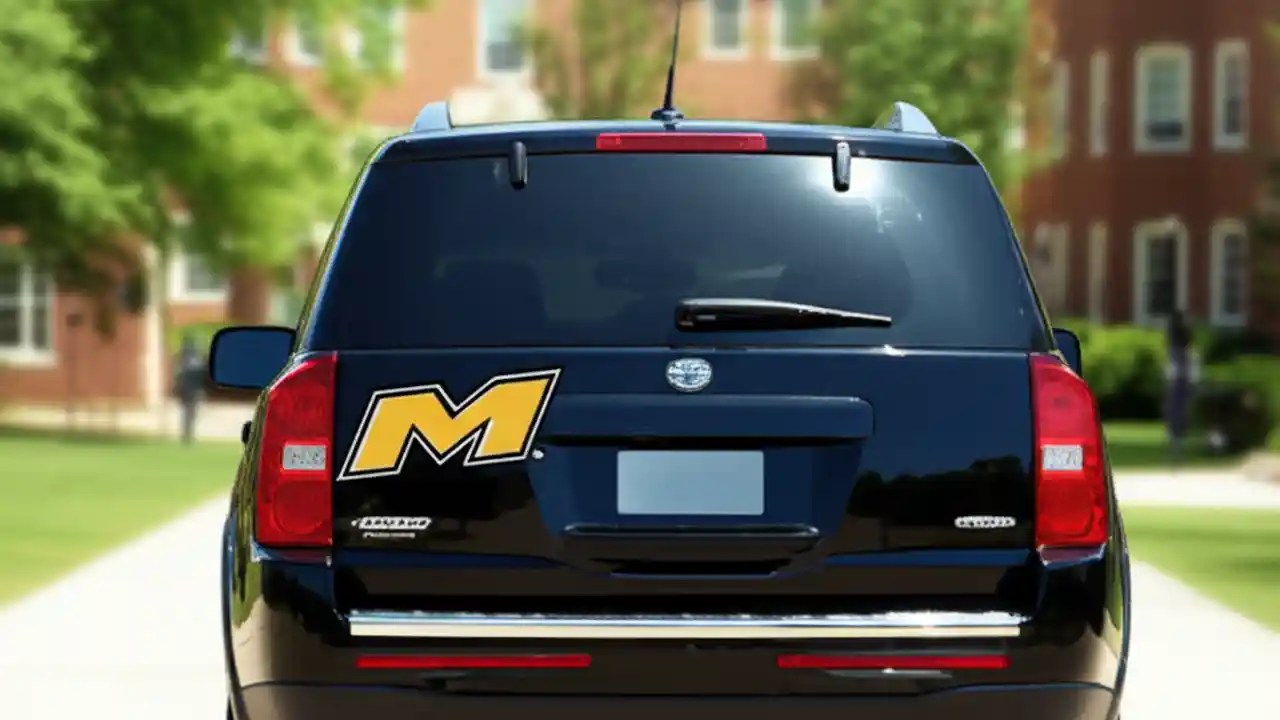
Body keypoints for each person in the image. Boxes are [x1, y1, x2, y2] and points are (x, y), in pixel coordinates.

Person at [1164, 308, 1193, 462]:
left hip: (1175, 381)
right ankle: (1178, 440)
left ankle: (1175, 441)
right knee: (1181, 411)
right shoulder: (1184, 347)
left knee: (1175, 411)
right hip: (1182, 380)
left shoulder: (1173, 346)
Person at [175, 333, 205, 444]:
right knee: (190, 414)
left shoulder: (184, 362)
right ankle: (188, 435)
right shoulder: (193, 362)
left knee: (188, 414)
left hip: (188, 391)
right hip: (191, 392)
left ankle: (187, 435)